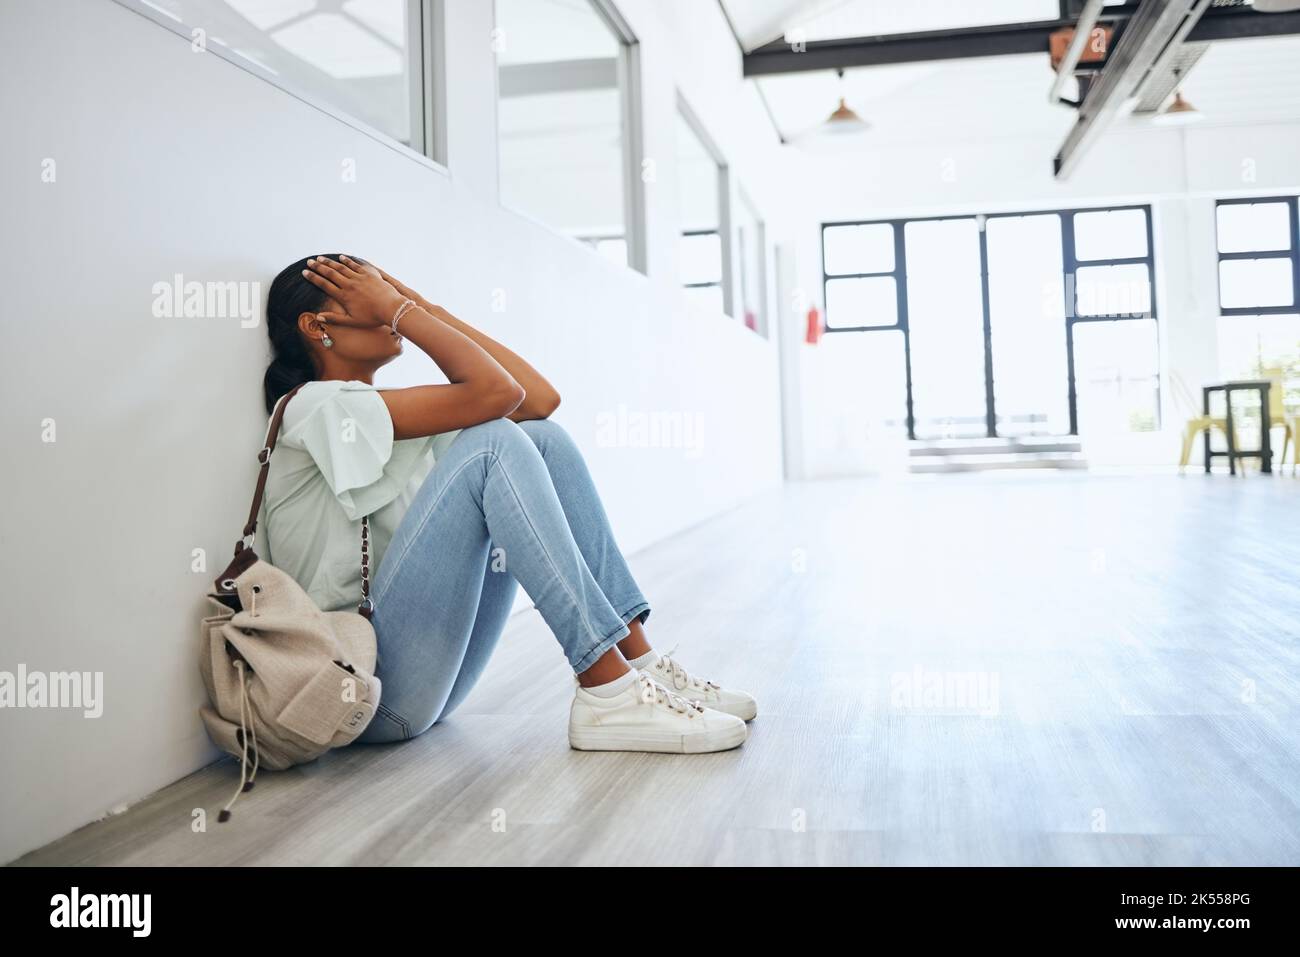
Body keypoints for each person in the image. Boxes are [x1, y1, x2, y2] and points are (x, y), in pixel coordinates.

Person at [257, 254, 756, 754]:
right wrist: (405, 313)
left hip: (431, 682)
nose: (389, 304)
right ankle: (607, 691)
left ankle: (638, 665)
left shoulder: (385, 409)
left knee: (542, 439)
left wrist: (419, 306)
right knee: (493, 444)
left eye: (386, 291)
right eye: (365, 294)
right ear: (317, 326)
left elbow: (537, 402)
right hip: (361, 690)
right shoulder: (314, 408)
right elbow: (499, 392)